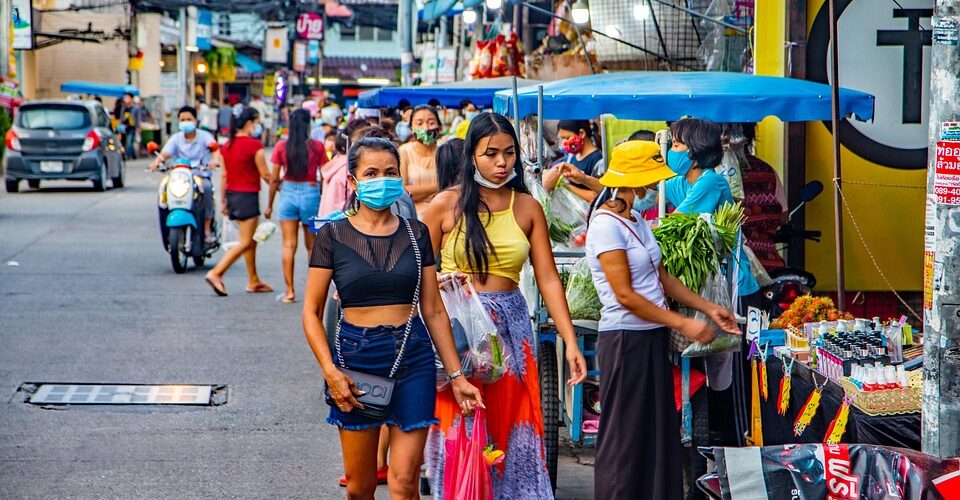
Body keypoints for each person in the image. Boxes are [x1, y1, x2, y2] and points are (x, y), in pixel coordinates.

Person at [302, 136, 484, 500]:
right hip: (356, 358)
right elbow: (310, 311)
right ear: (353, 181)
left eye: (390, 172)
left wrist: (457, 376)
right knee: (360, 487)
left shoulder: (416, 235)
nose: (381, 179)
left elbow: (432, 310)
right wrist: (330, 371)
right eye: (371, 173)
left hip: (412, 355)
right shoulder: (331, 236)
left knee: (404, 484)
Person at [422, 112, 587, 498]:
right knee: (462, 431)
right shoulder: (443, 206)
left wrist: (571, 342)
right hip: (458, 334)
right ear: (471, 156)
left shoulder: (528, 207)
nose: (501, 163)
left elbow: (547, 279)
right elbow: (419, 277)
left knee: (512, 431)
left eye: (509, 154)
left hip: (511, 334)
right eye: (491, 153)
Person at [584, 140, 739, 498]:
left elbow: (663, 277)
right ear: (634, 182)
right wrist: (681, 323)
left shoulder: (636, 220)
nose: (655, 188)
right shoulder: (606, 225)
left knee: (656, 431)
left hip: (650, 336)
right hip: (625, 339)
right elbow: (625, 296)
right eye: (650, 180)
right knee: (624, 436)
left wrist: (706, 307)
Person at [204, 107, 272, 296]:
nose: (257, 126)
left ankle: (253, 280)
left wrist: (223, 200)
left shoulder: (227, 146)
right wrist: (279, 184)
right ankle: (217, 272)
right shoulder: (254, 145)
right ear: (250, 123)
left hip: (233, 196)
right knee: (246, 241)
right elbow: (265, 173)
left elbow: (224, 176)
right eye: (256, 123)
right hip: (248, 196)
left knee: (250, 240)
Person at [265, 109, 327, 303]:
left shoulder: (282, 146)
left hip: (288, 194)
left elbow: (274, 179)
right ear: (308, 124)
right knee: (312, 247)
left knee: (288, 245)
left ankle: (290, 292)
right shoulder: (317, 146)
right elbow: (325, 174)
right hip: (310, 193)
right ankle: (313, 292)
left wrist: (269, 205)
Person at [149, 106, 220, 243]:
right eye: (183, 120)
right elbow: (164, 154)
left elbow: (214, 150)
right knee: (164, 189)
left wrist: (215, 161)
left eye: (189, 119)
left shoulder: (205, 136)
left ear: (196, 121)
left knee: (206, 190)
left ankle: (206, 230)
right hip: (180, 177)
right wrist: (155, 163)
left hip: (200, 175)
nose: (186, 122)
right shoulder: (176, 138)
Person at [736, 123, 787, 270]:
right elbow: (783, 216)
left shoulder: (715, 173)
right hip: (768, 262)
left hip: (735, 265)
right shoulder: (767, 171)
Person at [542, 119, 604, 202]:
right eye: (562, 138)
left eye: (567, 137)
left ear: (581, 133)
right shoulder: (573, 156)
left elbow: (595, 195)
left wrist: (564, 185)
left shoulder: (597, 159)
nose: (564, 142)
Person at [398, 105, 442, 216]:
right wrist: (439, 186)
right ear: (411, 128)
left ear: (439, 126)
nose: (426, 128)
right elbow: (403, 192)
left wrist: (418, 192)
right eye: (419, 123)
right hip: (411, 215)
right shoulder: (404, 152)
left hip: (441, 213)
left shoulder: (445, 152)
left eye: (431, 123)